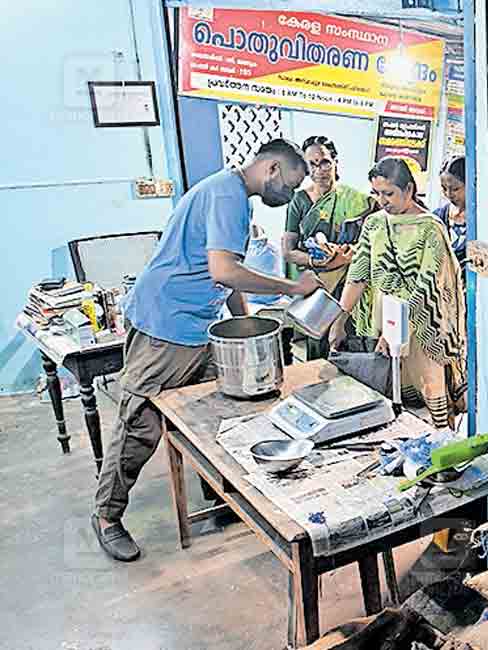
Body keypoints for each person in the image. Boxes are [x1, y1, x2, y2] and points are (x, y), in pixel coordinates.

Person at [93, 139, 319, 562]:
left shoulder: (237, 197)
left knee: (220, 413)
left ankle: (219, 495)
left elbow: (227, 275)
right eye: (290, 186)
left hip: (201, 326)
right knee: (140, 423)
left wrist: (245, 325)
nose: (290, 196)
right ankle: (107, 516)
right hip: (166, 323)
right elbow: (225, 270)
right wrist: (292, 287)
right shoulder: (225, 195)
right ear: (271, 169)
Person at [328, 157, 467, 429]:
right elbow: (358, 273)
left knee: (431, 389)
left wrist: (395, 332)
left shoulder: (430, 228)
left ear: (409, 190)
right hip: (386, 324)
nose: (382, 201)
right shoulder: (374, 224)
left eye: (389, 193)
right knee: (393, 391)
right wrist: (339, 319)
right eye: (377, 193)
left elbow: (428, 286)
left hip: (424, 328)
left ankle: (443, 445)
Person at [282, 136, 375, 359]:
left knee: (348, 344)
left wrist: (348, 255)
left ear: (335, 162)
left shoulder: (358, 201)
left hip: (351, 284)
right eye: (312, 164)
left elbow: (372, 241)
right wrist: (317, 261)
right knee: (318, 344)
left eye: (324, 162)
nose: (319, 170)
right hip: (319, 286)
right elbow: (288, 252)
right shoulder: (299, 202)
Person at [434, 155, 467, 268]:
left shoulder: (480, 220)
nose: (449, 194)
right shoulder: (438, 217)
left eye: (455, 189)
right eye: (444, 188)